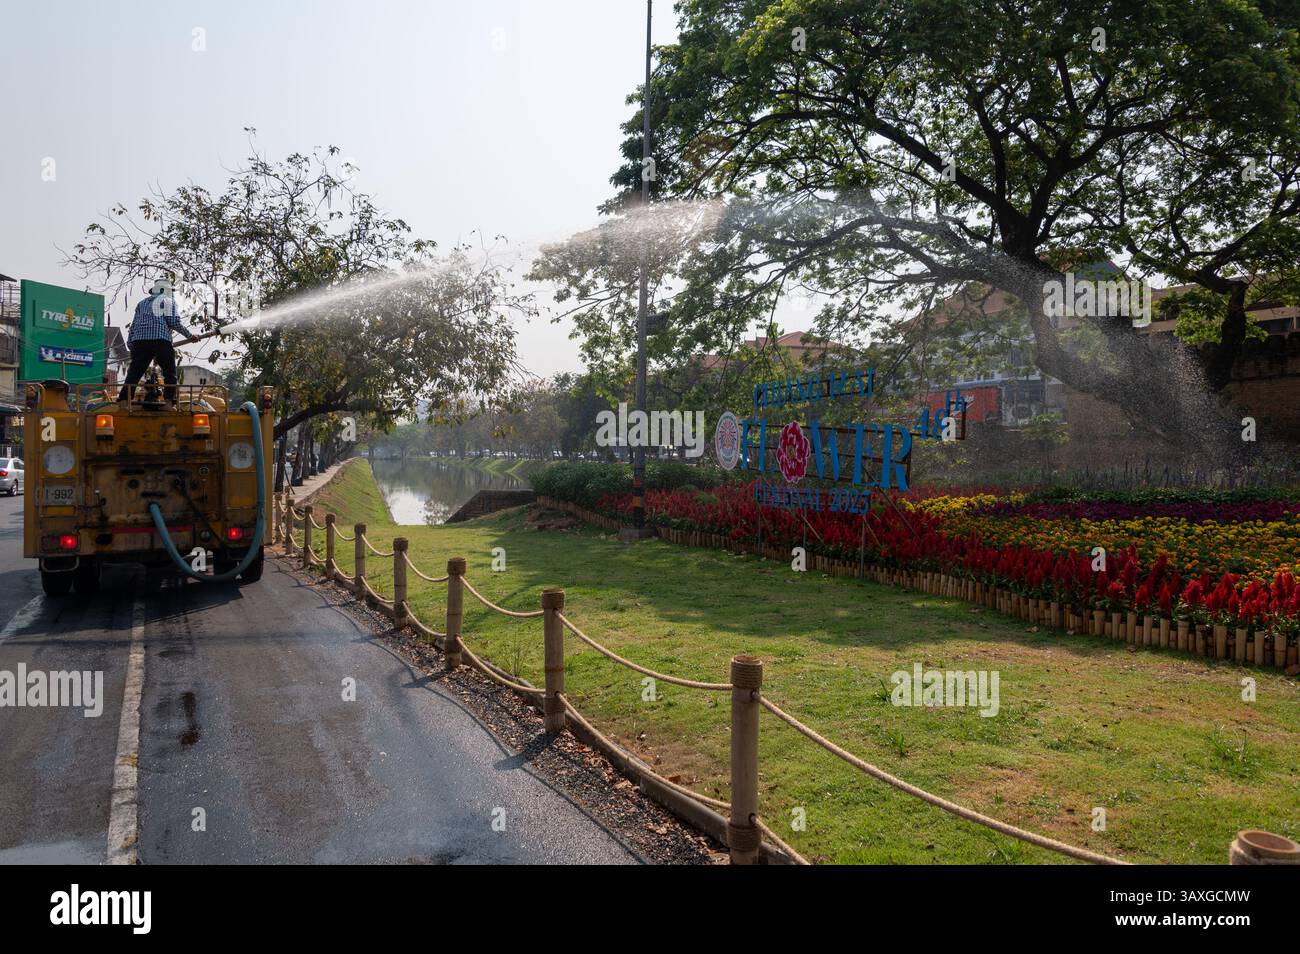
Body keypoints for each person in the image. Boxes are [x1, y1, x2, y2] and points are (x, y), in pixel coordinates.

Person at [117, 280, 197, 404]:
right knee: (169, 372)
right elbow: (173, 322)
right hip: (160, 340)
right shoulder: (168, 302)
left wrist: (131, 344)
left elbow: (133, 326)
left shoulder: (141, 303)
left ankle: (123, 399)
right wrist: (190, 335)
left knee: (135, 372)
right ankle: (170, 399)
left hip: (140, 341)